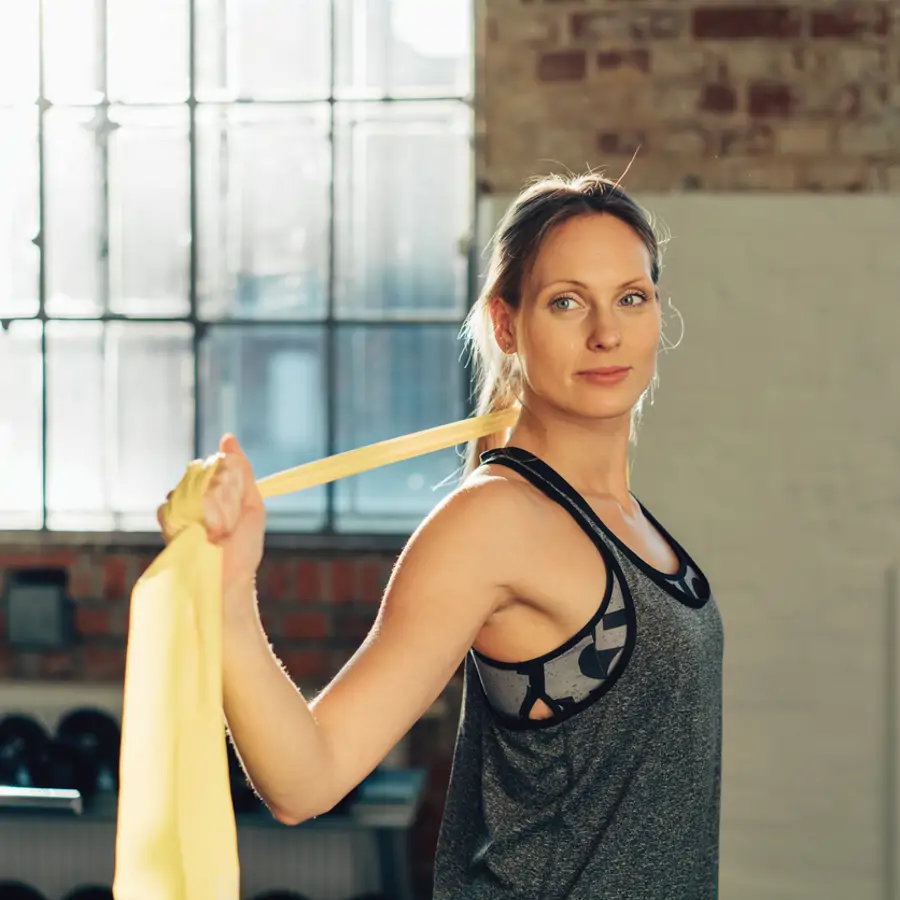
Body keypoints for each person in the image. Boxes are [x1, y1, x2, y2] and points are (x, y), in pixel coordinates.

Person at [159, 172, 724, 900]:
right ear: (506, 325)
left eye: (631, 298)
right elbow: (308, 778)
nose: (606, 333)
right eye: (566, 302)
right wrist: (231, 592)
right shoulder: (492, 522)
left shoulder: (627, 521)